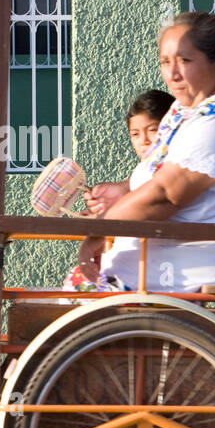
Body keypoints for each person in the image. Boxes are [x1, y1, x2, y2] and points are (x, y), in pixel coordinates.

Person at [75, 12, 215, 292]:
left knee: (71, 298)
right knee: (67, 294)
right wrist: (125, 190)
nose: (172, 74)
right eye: (165, 61)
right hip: (177, 248)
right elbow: (164, 174)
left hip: (207, 256)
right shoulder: (188, 106)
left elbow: (165, 196)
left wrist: (100, 230)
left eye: (185, 61)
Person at [62, 89, 173, 292]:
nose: (144, 140)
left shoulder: (170, 168)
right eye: (135, 134)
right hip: (141, 269)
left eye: (153, 130)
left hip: (152, 275)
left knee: (76, 285)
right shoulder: (146, 170)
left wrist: (102, 222)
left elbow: (148, 204)